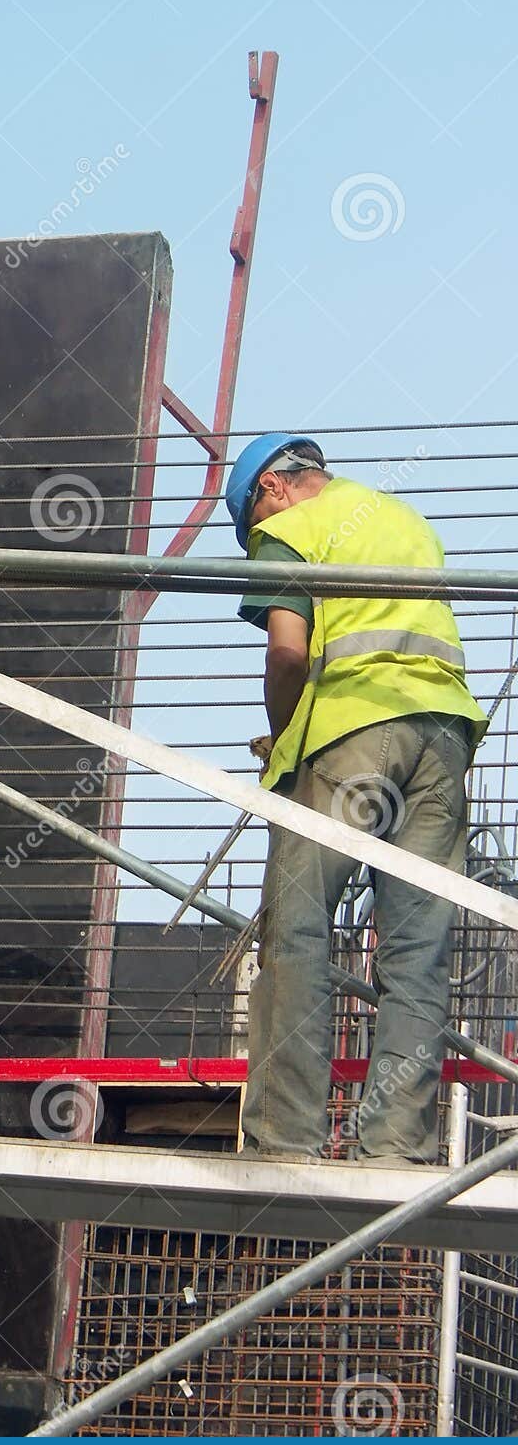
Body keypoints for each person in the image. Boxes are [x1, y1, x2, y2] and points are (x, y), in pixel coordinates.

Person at [226, 433, 486, 1165]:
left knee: (300, 929)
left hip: (353, 736)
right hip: (442, 738)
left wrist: (282, 744)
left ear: (270, 491)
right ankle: (397, 1146)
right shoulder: (406, 521)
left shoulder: (289, 528)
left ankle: (285, 1139)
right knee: (417, 950)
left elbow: (287, 652)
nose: (258, 544)